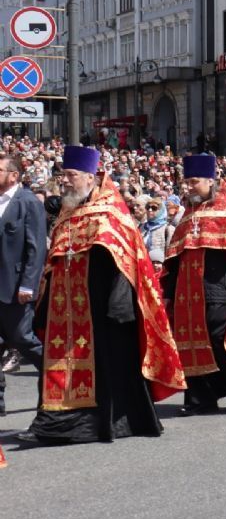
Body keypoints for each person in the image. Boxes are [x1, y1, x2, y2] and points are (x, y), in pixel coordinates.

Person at [19, 146, 185, 444]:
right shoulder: (68, 215)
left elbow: (126, 264)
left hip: (100, 310)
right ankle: (52, 422)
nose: (65, 182)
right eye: (63, 176)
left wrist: (118, 306)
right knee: (55, 365)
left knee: (103, 370)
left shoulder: (109, 214)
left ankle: (96, 424)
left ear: (91, 177)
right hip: (63, 308)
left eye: (71, 176)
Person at [162, 155, 226, 416]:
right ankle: (200, 399)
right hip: (187, 292)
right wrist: (169, 291)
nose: (188, 187)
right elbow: (175, 255)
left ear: (211, 180)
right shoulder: (189, 214)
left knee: (219, 338)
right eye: (186, 182)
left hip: (218, 289)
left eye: (194, 181)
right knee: (189, 342)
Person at [0, 152, 46, 417]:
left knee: (22, 339)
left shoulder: (27, 202)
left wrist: (28, 285)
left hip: (15, 287)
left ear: (13, 175)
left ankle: (56, 380)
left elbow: (36, 247)